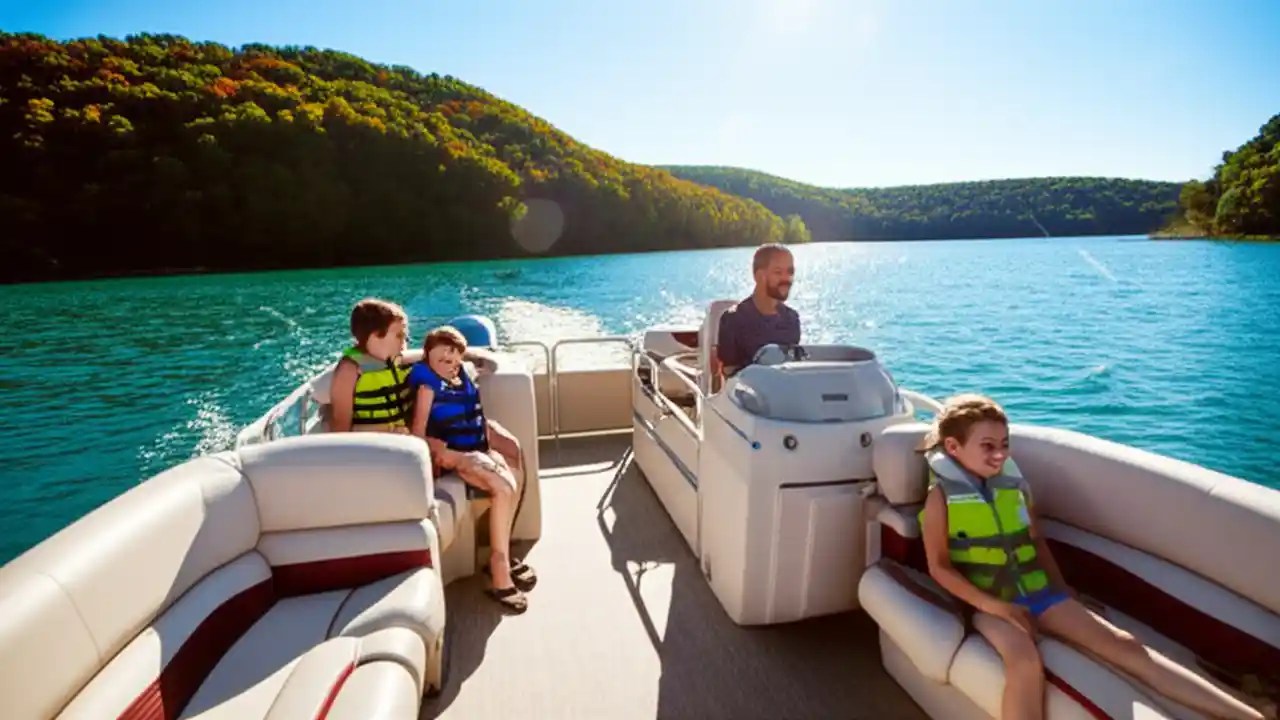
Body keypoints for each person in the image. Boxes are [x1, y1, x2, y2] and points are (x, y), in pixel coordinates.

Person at [918, 394, 1263, 720]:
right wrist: (995, 607)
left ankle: (1252, 715)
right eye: (988, 446)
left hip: (1039, 594)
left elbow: (1035, 541)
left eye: (1005, 444)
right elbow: (940, 567)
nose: (1000, 454)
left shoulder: (1014, 486)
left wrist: (1062, 589)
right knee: (1024, 662)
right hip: (988, 603)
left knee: (1126, 645)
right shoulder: (941, 498)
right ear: (954, 447)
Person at [409, 325, 536, 613]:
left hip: (476, 444)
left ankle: (502, 547)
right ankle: (499, 570)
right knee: (504, 486)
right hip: (453, 452)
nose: (449, 364)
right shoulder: (427, 386)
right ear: (428, 356)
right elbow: (418, 432)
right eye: (442, 359)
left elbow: (477, 362)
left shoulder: (459, 373)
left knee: (513, 453)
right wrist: (443, 453)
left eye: (454, 359)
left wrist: (466, 355)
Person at [714, 243, 801, 381]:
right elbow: (728, 376)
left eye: (790, 272)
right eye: (778, 272)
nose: (786, 279)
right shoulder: (733, 320)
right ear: (760, 276)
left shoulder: (792, 319)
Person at [329, 298, 413, 433]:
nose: (406, 339)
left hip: (408, 438)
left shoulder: (399, 361)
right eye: (399, 335)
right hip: (372, 441)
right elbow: (341, 426)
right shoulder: (349, 370)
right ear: (375, 337)